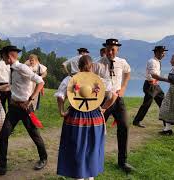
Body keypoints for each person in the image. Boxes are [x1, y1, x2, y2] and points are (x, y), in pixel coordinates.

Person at [0, 46, 48, 175]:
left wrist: (31, 99)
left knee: (34, 134)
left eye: (2, 56)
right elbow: (12, 85)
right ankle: (2, 166)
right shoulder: (12, 69)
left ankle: (43, 159)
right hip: (13, 109)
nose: (1, 59)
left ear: (9, 56)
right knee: (3, 135)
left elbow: (40, 81)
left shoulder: (22, 68)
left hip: (25, 109)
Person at [55, 55, 117, 180]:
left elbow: (60, 96)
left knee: (77, 147)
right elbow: (113, 95)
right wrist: (104, 107)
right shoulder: (99, 80)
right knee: (92, 147)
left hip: (75, 117)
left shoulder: (70, 79)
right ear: (92, 66)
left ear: (78, 66)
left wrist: (61, 111)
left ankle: (79, 176)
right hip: (95, 118)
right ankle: (90, 177)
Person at [93, 38, 135, 173]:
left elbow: (128, 72)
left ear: (117, 50)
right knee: (98, 129)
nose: (110, 52)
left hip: (118, 100)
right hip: (103, 101)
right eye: (108, 49)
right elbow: (91, 81)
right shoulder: (97, 64)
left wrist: (123, 87)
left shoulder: (122, 62)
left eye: (113, 49)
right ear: (104, 49)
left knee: (124, 127)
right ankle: (94, 159)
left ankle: (123, 162)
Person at [132, 46, 167, 128]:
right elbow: (153, 75)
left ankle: (167, 123)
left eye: (164, 53)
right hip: (150, 85)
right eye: (162, 53)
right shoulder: (152, 61)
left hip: (155, 85)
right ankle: (136, 121)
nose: (164, 54)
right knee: (146, 105)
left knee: (164, 103)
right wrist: (166, 79)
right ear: (156, 52)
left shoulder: (157, 61)